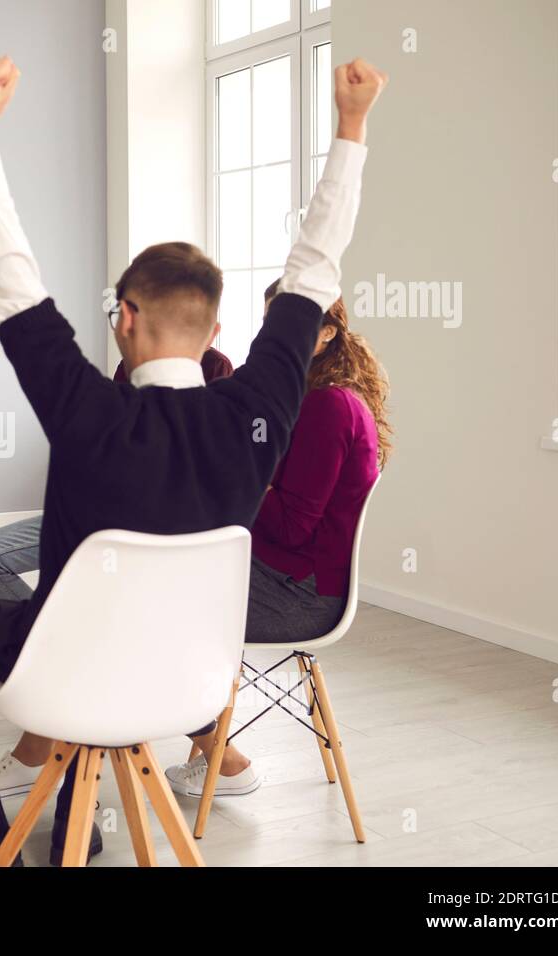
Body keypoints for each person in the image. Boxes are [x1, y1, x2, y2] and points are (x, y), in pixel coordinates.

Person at [0, 54, 386, 867]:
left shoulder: (87, 409)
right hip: (189, 684)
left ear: (124, 317)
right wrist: (352, 126)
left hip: (65, 676)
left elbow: (8, 277)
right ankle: (74, 810)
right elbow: (315, 267)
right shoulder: (261, 412)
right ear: (215, 329)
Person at [0, 345, 233, 801]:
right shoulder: (126, 367)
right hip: (95, 516)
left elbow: (200, 465)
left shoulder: (216, 371)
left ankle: (39, 741)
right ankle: (49, 650)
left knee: (115, 623)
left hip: (150, 534)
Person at [166, 283, 390, 798]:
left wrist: (240, 472)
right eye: (271, 322)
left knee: (149, 609)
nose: (276, 335)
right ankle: (211, 754)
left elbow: (291, 526)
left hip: (301, 597)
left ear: (327, 332)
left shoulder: (329, 407)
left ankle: (226, 762)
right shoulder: (308, 393)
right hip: (281, 572)